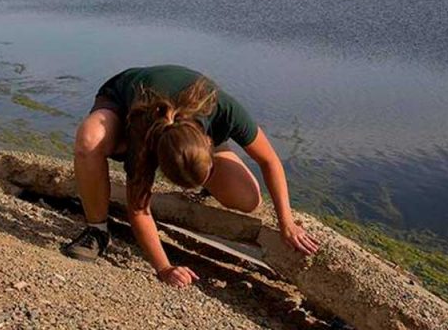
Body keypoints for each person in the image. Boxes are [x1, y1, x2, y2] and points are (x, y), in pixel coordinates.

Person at [61, 64, 319, 286]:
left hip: (190, 128)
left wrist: (287, 221)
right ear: (157, 158)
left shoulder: (223, 109)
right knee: (89, 141)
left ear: (209, 142)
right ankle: (97, 230)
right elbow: (138, 210)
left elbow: (269, 160)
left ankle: (207, 173)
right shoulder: (143, 140)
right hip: (121, 103)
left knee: (249, 200)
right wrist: (164, 268)